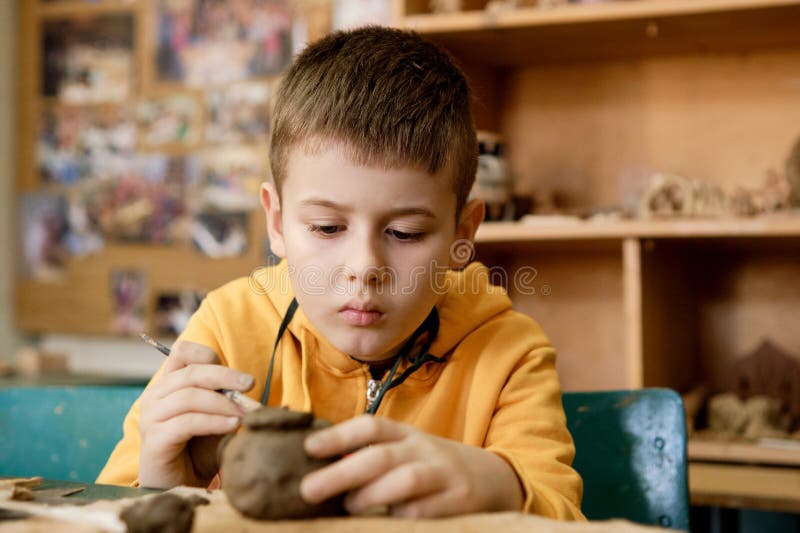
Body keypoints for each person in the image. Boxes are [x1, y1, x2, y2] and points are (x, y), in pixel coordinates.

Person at [98, 26, 584, 520]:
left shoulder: (510, 354)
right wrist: (161, 488)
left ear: (463, 234)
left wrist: (499, 486)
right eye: (328, 228)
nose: (364, 269)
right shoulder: (226, 328)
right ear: (277, 223)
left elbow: (562, 512)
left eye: (406, 233)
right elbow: (94, 512)